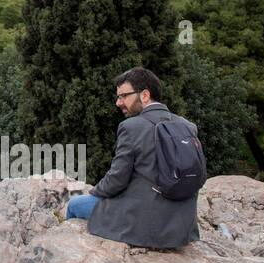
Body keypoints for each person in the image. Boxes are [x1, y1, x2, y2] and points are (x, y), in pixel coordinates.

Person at [64, 67, 202, 249]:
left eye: (123, 96)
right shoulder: (188, 126)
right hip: (182, 228)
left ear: (144, 95)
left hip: (145, 226)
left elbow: (116, 180)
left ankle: (72, 249)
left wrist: (94, 191)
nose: (118, 102)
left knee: (75, 204)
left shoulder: (132, 126)